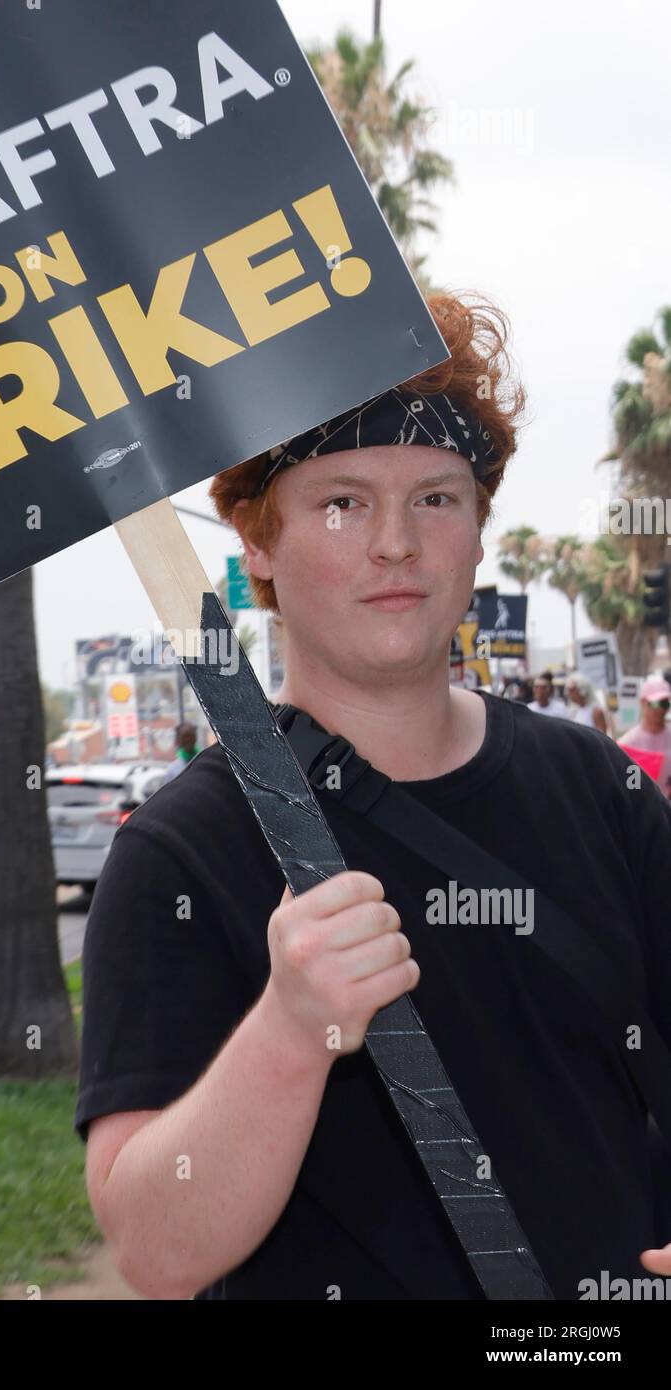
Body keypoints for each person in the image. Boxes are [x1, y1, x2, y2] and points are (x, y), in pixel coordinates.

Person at [75, 291, 671, 1300]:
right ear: (256, 545)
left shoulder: (602, 791)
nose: (395, 542)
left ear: (477, 530)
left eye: (434, 498)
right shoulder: (180, 852)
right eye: (342, 501)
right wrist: (288, 1023)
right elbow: (153, 1249)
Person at [618, 675, 671, 795]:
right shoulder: (627, 744)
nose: (660, 710)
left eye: (665, 704)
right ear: (643, 703)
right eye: (655, 704)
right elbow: (631, 789)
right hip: (647, 811)